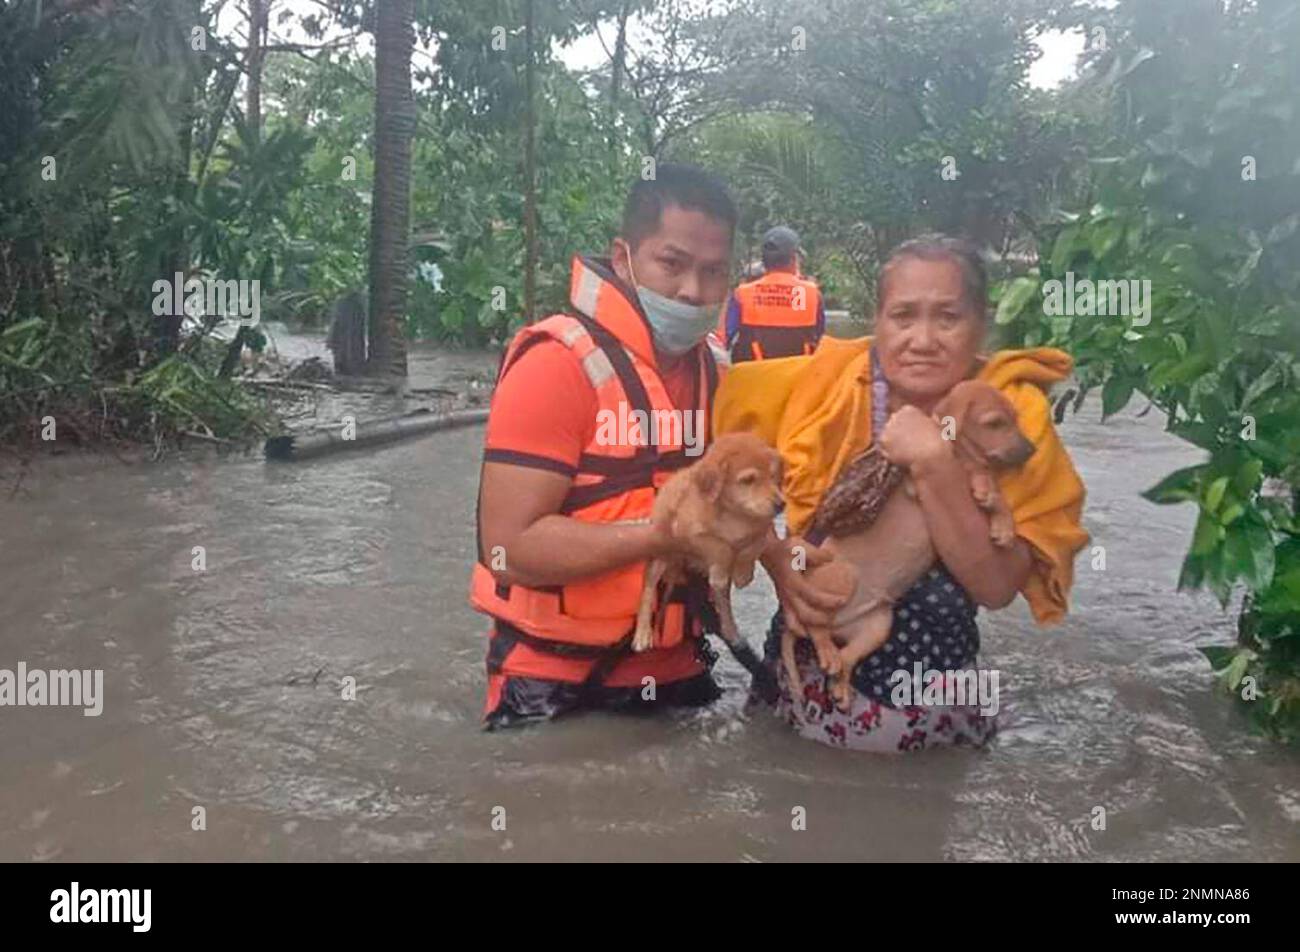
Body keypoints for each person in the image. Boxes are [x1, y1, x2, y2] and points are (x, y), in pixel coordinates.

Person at [469, 164, 842, 728]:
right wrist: (662, 535)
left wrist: (783, 563)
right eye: (671, 264)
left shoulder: (721, 376)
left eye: (713, 272)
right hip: (554, 684)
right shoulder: (555, 366)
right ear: (624, 259)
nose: (692, 290)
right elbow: (507, 550)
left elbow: (742, 500)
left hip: (679, 672)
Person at [714, 235, 1090, 752]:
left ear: (981, 325)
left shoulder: (1007, 419)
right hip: (794, 697)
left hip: (929, 714)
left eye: (948, 318)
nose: (922, 339)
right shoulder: (824, 385)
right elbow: (711, 492)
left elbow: (997, 587)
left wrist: (935, 462)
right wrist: (779, 561)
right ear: (878, 321)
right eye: (903, 316)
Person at [720, 225, 826, 363]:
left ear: (764, 261)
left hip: (753, 378)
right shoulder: (809, 294)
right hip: (798, 379)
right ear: (794, 258)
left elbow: (723, 341)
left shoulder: (742, 294)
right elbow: (821, 340)